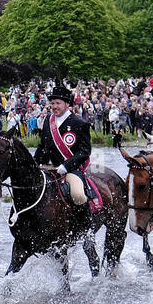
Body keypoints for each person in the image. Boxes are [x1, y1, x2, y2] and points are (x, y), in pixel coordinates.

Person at [34, 84, 93, 223]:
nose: (54, 106)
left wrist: (66, 166)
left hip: (71, 169)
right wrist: (34, 163)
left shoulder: (79, 123)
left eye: (58, 103)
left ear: (67, 104)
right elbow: (43, 146)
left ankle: (86, 229)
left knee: (78, 194)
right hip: (48, 168)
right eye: (52, 103)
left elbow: (85, 151)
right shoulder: (48, 120)